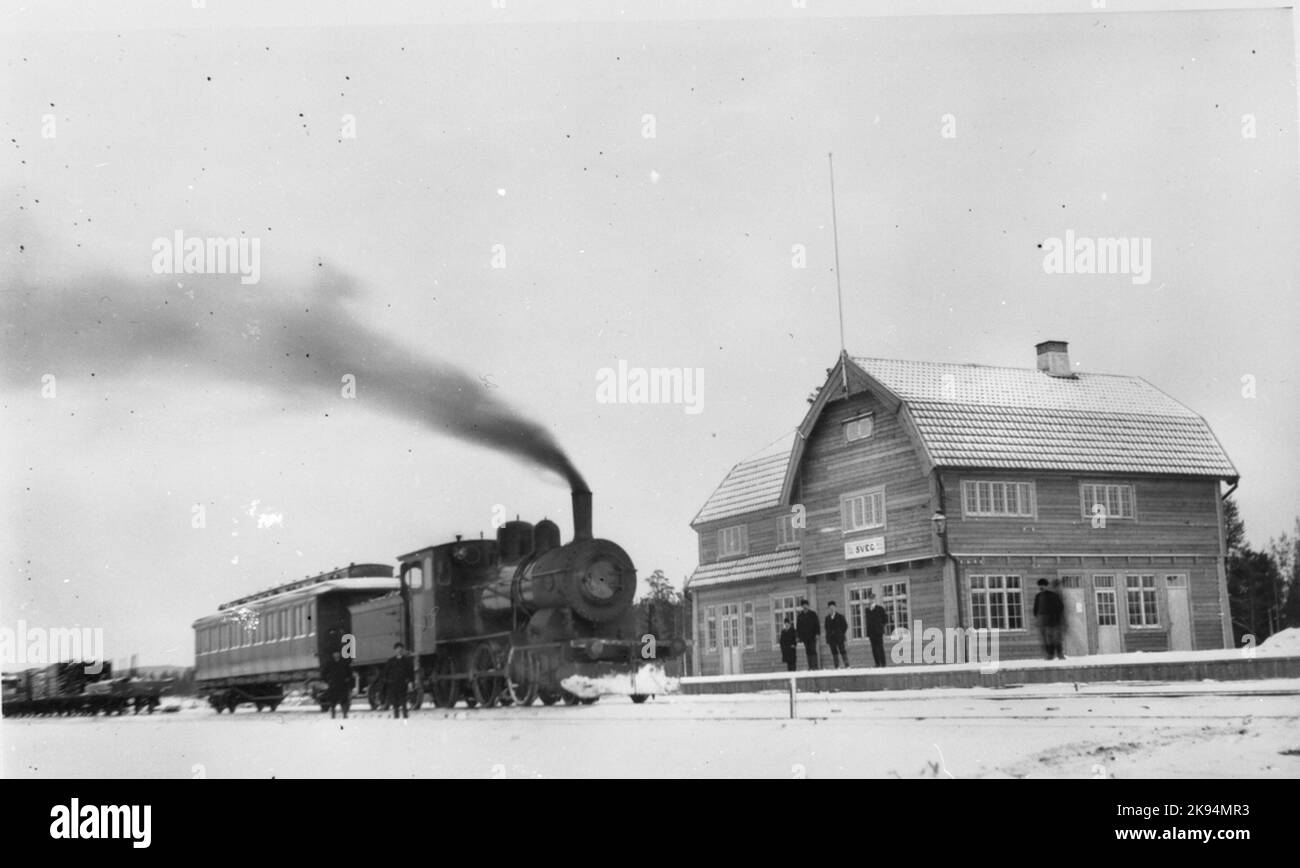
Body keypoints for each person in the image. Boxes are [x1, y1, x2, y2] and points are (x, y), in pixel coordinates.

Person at [1033, 579, 1066, 660]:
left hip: (1052, 621)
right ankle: (1049, 655)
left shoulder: (1053, 595)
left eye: (1043, 585)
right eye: (1040, 585)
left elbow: (1060, 607)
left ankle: (1059, 654)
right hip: (1042, 621)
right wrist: (1037, 617)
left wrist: (1054, 617)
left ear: (1046, 586)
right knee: (1046, 640)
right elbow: (1035, 608)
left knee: (1055, 639)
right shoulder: (1038, 596)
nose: (1041, 587)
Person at [383, 642, 414, 719]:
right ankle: (396, 717)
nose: (399, 650)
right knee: (395, 703)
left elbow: (410, 672)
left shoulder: (406, 661)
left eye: (400, 649)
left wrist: (410, 682)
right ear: (395, 650)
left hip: (402, 684)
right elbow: (385, 672)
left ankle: (405, 717)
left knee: (403, 702)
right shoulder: (390, 661)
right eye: (397, 649)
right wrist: (387, 682)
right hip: (393, 685)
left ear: (402, 650)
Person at [322, 650, 353, 719]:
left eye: (337, 653)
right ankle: (333, 714)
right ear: (333, 655)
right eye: (335, 653)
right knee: (333, 701)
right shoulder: (330, 663)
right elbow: (324, 673)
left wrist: (348, 679)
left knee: (344, 700)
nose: (336, 655)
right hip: (333, 685)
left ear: (339, 654)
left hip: (343, 685)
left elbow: (350, 672)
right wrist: (328, 681)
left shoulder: (344, 662)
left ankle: (345, 714)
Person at [865, 592, 889, 667]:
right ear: (868, 600)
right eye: (870, 599)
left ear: (874, 599)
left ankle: (883, 663)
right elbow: (868, 621)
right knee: (874, 648)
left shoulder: (880, 608)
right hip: (871, 632)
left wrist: (880, 626)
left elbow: (885, 619)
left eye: (872, 599)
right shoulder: (867, 610)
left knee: (880, 647)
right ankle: (877, 663)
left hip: (878, 632)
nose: (871, 600)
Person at [795, 599, 820, 670]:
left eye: (806, 605)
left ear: (808, 606)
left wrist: (817, 633)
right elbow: (798, 627)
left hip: (812, 636)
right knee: (808, 651)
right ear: (802, 606)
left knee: (813, 651)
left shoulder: (813, 614)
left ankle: (815, 666)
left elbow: (817, 624)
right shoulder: (800, 616)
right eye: (803, 605)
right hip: (805, 637)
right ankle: (810, 667)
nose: (805, 606)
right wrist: (797, 636)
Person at [824, 601, 849, 668]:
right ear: (828, 609)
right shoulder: (827, 618)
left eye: (833, 607)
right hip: (831, 638)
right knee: (834, 652)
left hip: (839, 637)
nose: (831, 609)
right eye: (830, 608)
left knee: (842, 650)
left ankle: (846, 664)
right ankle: (836, 665)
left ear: (835, 608)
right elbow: (826, 628)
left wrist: (840, 633)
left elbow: (845, 626)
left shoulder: (840, 617)